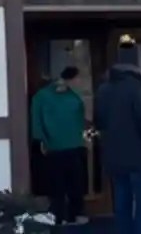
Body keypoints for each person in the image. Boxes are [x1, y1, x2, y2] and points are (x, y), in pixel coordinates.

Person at [93, 39, 141, 234]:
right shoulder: (139, 89)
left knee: (121, 206)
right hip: (140, 157)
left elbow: (99, 122)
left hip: (114, 157)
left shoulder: (104, 90)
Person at [30, 65, 89, 228]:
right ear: (70, 79)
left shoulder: (75, 97)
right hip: (53, 146)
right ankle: (59, 216)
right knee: (57, 185)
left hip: (74, 145)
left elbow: (82, 118)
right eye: (77, 79)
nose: (79, 82)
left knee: (76, 183)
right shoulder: (42, 96)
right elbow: (37, 119)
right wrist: (40, 140)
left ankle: (76, 213)